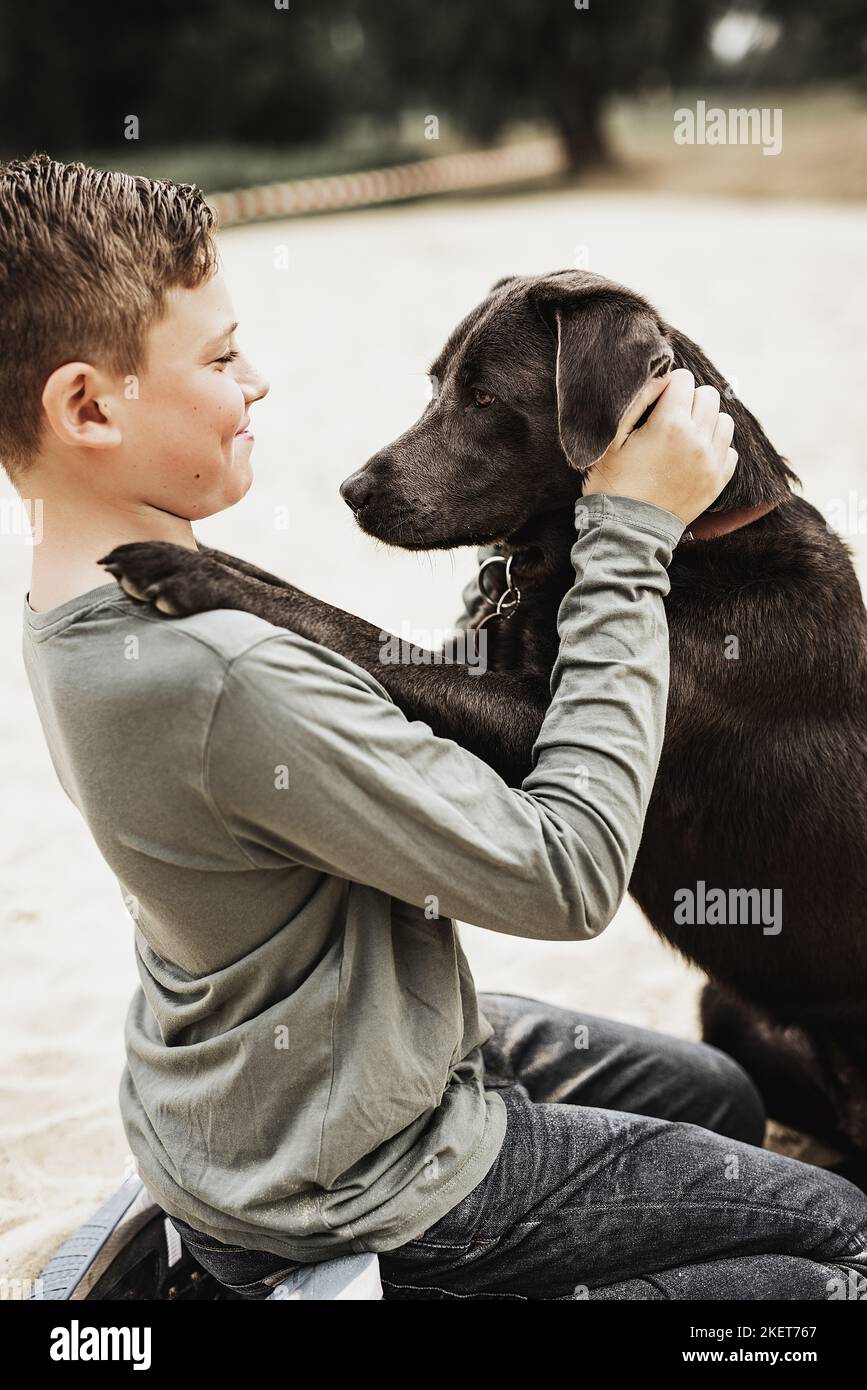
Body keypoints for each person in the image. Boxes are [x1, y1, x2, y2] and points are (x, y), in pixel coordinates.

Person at [8, 153, 867, 1301]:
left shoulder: (82, 604)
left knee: (723, 1088)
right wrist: (621, 531)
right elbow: (563, 870)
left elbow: (447, 700)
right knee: (844, 1240)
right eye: (221, 357)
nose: (257, 380)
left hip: (295, 1071)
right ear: (88, 405)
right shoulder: (229, 668)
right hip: (366, 1157)